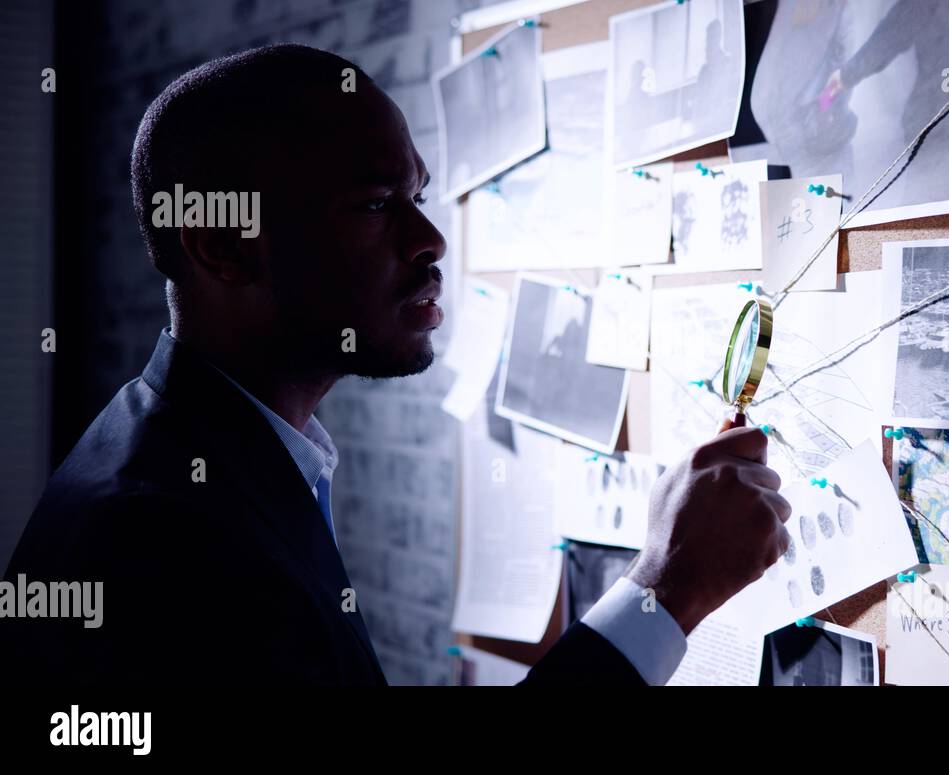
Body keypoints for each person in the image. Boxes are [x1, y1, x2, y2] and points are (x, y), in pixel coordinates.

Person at [0, 45, 791, 686]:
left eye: (417, 193)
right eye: (376, 203)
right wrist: (666, 590)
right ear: (221, 243)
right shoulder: (159, 538)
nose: (431, 240)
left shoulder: (206, 448)